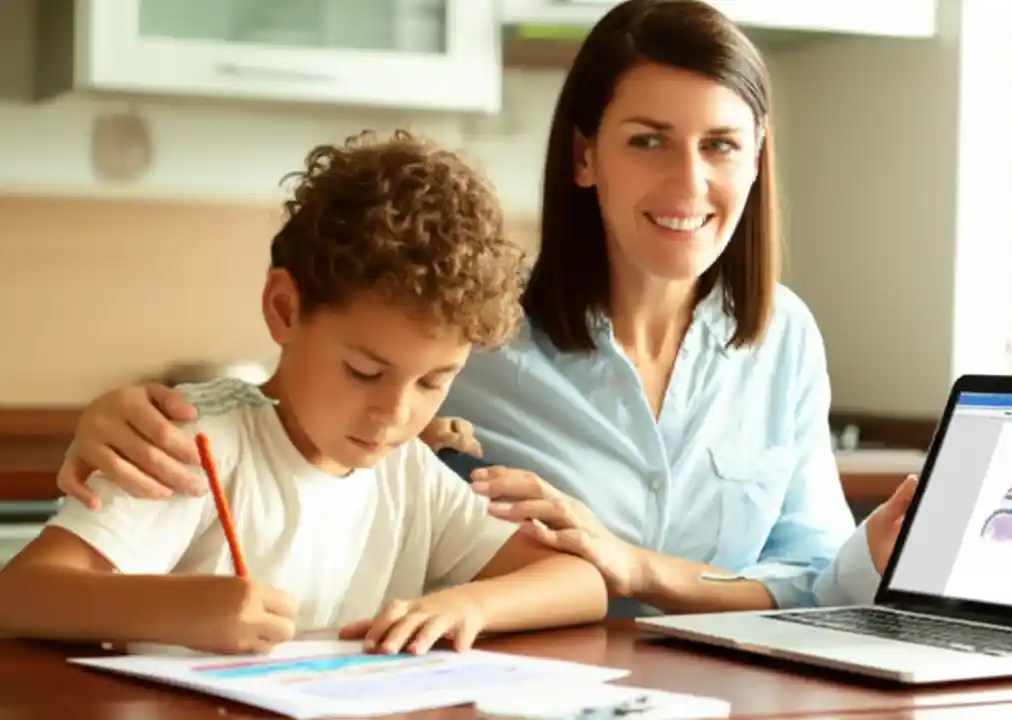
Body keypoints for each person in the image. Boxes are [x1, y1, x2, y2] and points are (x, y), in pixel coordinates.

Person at [52, 0, 916, 618]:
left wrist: (637, 568)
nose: (689, 183)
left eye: (721, 146)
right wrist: (123, 415)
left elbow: (812, 574)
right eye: (647, 140)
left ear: (757, 160)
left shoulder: (784, 335)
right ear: (585, 156)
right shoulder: (477, 330)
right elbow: (299, 408)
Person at [0, 131, 607, 654]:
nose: (395, 414)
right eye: (365, 373)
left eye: (432, 382)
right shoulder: (193, 444)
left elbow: (581, 581)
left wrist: (470, 606)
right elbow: (20, 595)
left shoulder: (405, 471)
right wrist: (176, 608)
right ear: (285, 309)